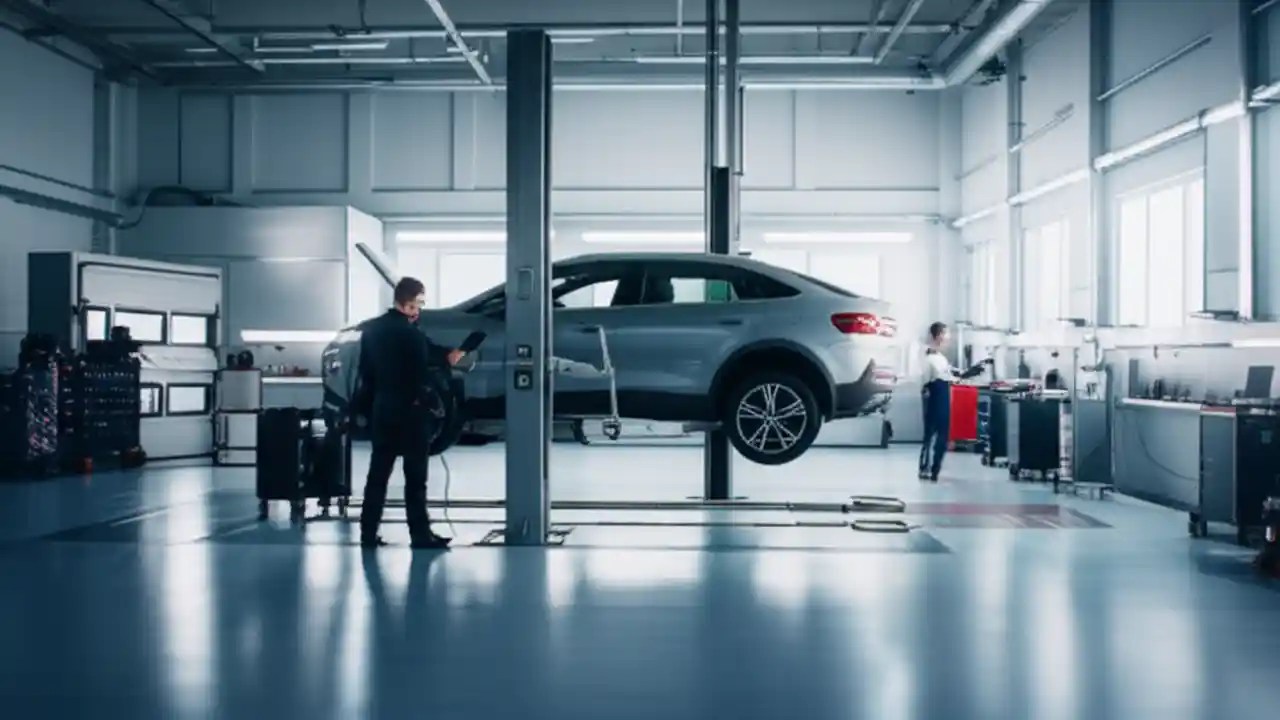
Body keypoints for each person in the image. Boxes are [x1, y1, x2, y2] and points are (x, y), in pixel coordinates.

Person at [356, 276, 465, 549]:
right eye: (420, 302)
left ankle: (368, 534)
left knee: (377, 475)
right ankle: (420, 535)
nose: (421, 308)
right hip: (411, 413)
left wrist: (364, 410)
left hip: (383, 410)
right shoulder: (411, 333)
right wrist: (448, 359)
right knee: (415, 478)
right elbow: (422, 369)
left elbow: (365, 375)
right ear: (409, 303)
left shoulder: (372, 330)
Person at [919, 321, 988, 482]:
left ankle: (935, 468)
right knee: (930, 435)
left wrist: (971, 372)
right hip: (933, 395)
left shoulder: (941, 358)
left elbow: (954, 374)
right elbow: (931, 380)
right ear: (938, 336)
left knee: (943, 435)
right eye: (946, 334)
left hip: (944, 394)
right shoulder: (928, 357)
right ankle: (926, 468)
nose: (948, 339)